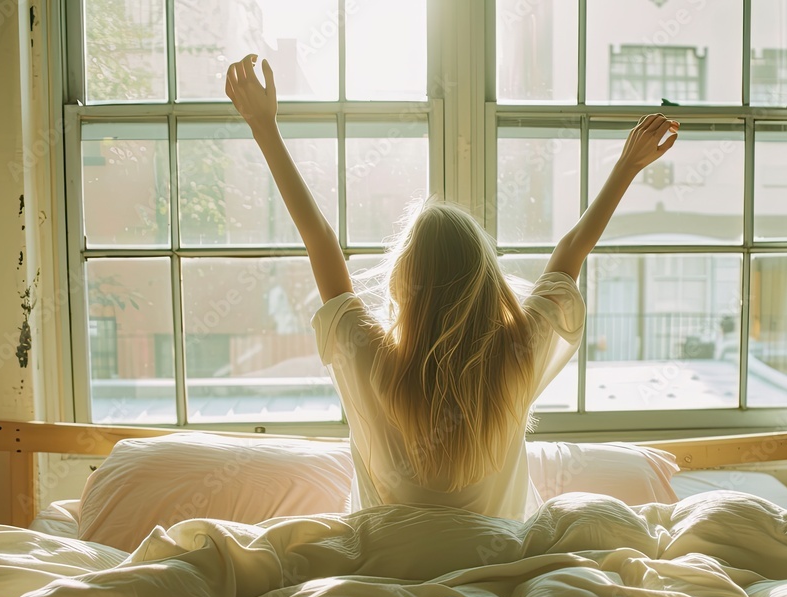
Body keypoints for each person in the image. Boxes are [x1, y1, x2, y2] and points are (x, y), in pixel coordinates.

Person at [225, 54, 679, 520]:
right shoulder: (516, 356)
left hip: (389, 569)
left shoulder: (369, 356)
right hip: (495, 564)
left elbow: (318, 238)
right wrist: (627, 165)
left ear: (402, 285)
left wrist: (264, 127)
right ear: (485, 283)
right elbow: (571, 252)